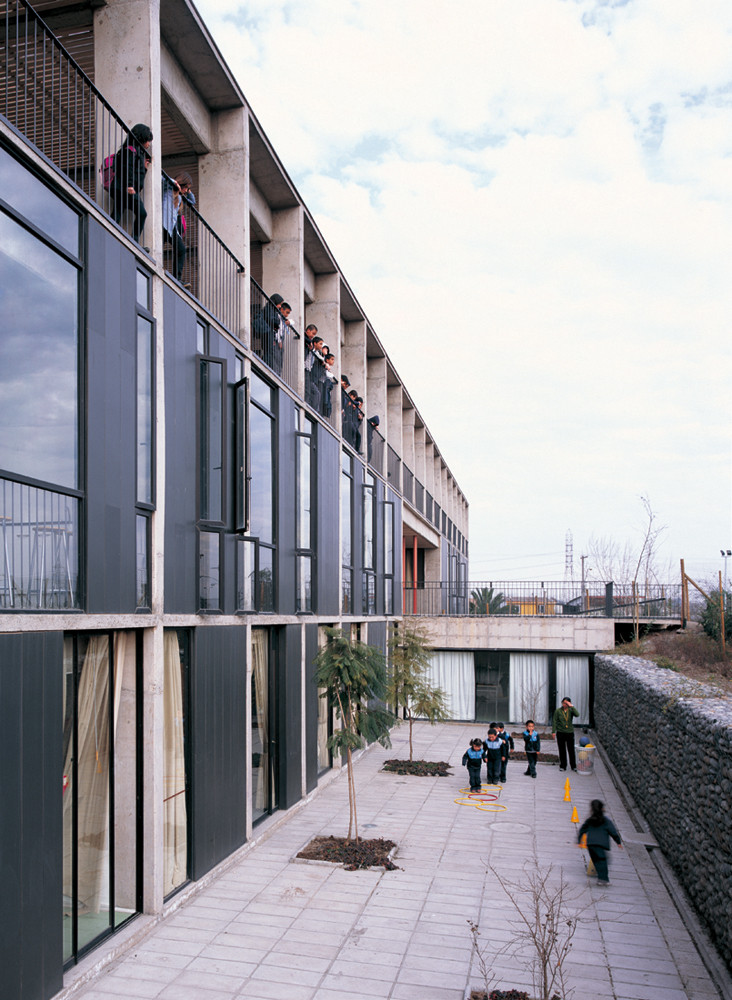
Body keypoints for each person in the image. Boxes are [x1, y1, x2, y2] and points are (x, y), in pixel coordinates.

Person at [109, 123, 152, 243]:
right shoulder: (130, 150)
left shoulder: (134, 151)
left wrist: (144, 167)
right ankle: (135, 239)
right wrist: (129, 185)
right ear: (142, 138)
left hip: (122, 189)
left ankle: (109, 234)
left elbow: (136, 171)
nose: (149, 144)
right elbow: (128, 168)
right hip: (125, 189)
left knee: (117, 211)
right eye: (148, 140)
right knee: (142, 213)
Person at [578, 800, 623, 885]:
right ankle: (603, 879)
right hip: (600, 844)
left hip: (590, 844)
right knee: (603, 861)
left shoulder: (590, 820)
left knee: (596, 860)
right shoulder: (606, 821)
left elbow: (582, 830)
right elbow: (613, 831)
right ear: (602, 808)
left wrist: (579, 840)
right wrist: (618, 842)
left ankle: (600, 878)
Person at [162, 171, 194, 281]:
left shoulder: (180, 198)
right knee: (159, 245)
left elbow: (192, 202)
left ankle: (177, 278)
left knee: (181, 249)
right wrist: (174, 182)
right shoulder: (169, 187)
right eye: (185, 187)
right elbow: (161, 178)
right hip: (163, 223)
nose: (185, 191)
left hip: (171, 227)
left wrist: (189, 191)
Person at [552, 696, 579, 772]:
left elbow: (577, 714)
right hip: (560, 732)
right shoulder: (558, 711)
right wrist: (553, 731)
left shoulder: (571, 710)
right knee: (562, 750)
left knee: (571, 750)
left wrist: (572, 706)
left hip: (569, 732)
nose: (564, 704)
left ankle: (573, 766)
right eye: (563, 703)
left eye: (566, 703)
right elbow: (554, 721)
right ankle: (563, 766)